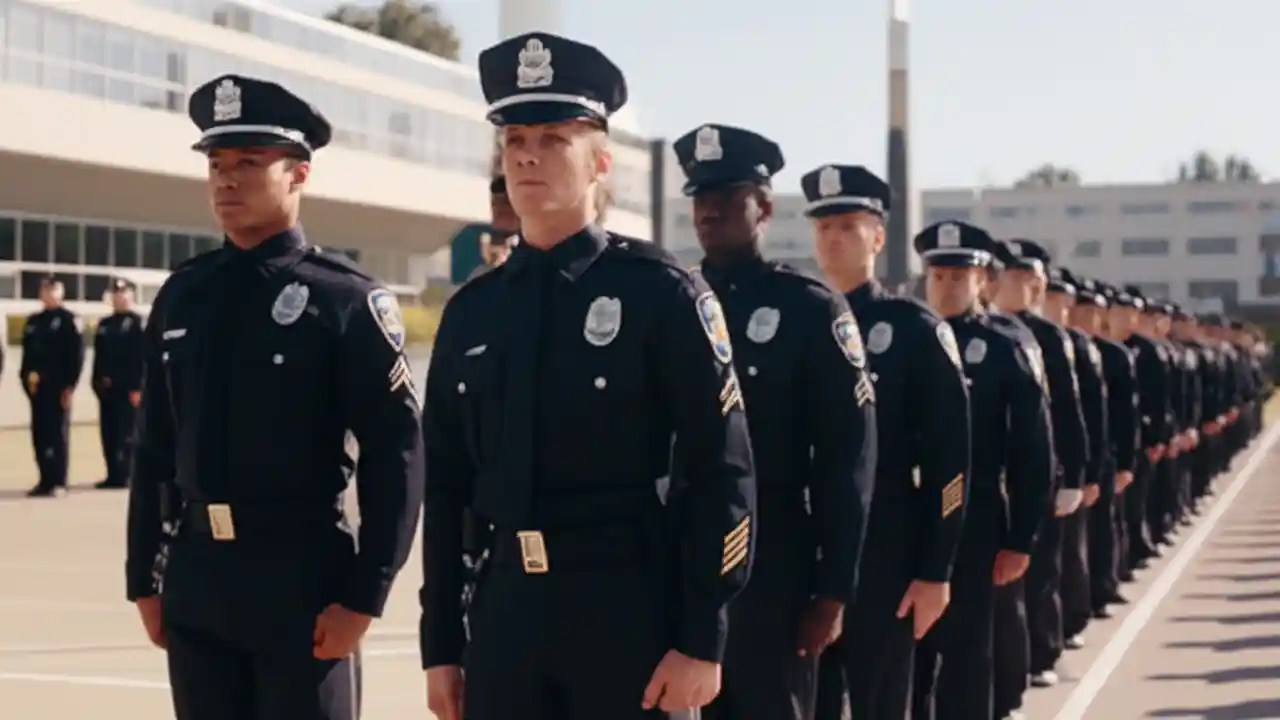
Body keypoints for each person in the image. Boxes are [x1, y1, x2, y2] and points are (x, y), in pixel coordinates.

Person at [418, 32, 757, 720]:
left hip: (624, 608)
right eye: (514, 140)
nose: (528, 156)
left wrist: (703, 637)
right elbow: (447, 487)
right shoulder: (473, 312)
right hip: (506, 608)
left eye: (552, 138)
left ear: (601, 161)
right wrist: (441, 644)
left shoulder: (662, 293)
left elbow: (723, 473)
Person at [125, 74, 425, 720]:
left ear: (299, 175)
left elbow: (395, 453)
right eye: (216, 164)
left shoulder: (344, 300)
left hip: (302, 581)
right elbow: (152, 447)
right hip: (199, 576)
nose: (226, 179)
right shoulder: (185, 296)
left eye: (249, 163)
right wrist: (144, 579)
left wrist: (366, 594)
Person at [674, 124, 876, 720]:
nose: (708, 210)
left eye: (726, 195)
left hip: (776, 574)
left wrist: (833, 590)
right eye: (699, 197)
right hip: (682, 565)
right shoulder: (673, 302)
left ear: (763, 208)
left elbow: (848, 461)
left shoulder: (809, 310)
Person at [804, 164, 970, 720]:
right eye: (824, 226)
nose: (833, 238)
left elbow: (950, 460)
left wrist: (936, 570)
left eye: (848, 226)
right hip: (810, 548)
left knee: (883, 700)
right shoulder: (798, 319)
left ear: (878, 236)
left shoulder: (914, 329)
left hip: (887, 549)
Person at [910, 221, 1053, 720]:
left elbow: (1033, 449)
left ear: (982, 281)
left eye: (959, 276)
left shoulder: (1004, 345)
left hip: (976, 518)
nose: (947, 285)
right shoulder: (907, 335)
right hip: (910, 518)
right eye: (939, 275)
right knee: (907, 653)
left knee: (968, 648)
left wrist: (1021, 539)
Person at [990, 239, 1088, 689]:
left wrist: (1073, 473)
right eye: (1018, 278)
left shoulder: (1048, 337)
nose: (1028, 287)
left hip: (1040, 473)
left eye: (1033, 280)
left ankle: (1043, 652)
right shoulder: (983, 331)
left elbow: (1065, 410)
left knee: (1041, 569)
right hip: (994, 479)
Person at [1042, 269, 1105, 652]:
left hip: (1062, 467)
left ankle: (1068, 623)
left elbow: (1082, 412)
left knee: (1064, 556)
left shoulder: (1072, 345)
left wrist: (1085, 473)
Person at [1069, 277, 1138, 618]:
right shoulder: (1062, 346)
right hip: (1075, 459)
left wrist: (1126, 461)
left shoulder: (1109, 354)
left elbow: (1124, 413)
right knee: (1075, 542)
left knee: (1103, 527)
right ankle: (1081, 601)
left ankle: (1104, 587)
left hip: (1104, 453)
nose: (1089, 318)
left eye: (1094, 312)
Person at [20, 275, 84, 498]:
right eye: (45, 289)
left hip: (59, 388)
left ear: (61, 292)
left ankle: (58, 481)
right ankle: (44, 479)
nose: (48, 293)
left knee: (58, 434)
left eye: (53, 289)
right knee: (40, 434)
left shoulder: (69, 320)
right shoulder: (33, 321)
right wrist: (27, 381)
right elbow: (27, 357)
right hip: (38, 389)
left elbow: (76, 357)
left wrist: (69, 386)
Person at [91, 277, 145, 490]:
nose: (119, 297)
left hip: (129, 389)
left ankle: (128, 474)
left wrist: (138, 387)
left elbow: (142, 358)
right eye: (116, 293)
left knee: (128, 433)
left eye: (124, 293)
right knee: (109, 433)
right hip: (107, 390)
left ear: (131, 296)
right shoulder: (105, 325)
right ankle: (113, 473)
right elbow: (99, 357)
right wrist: (96, 383)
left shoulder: (138, 323)